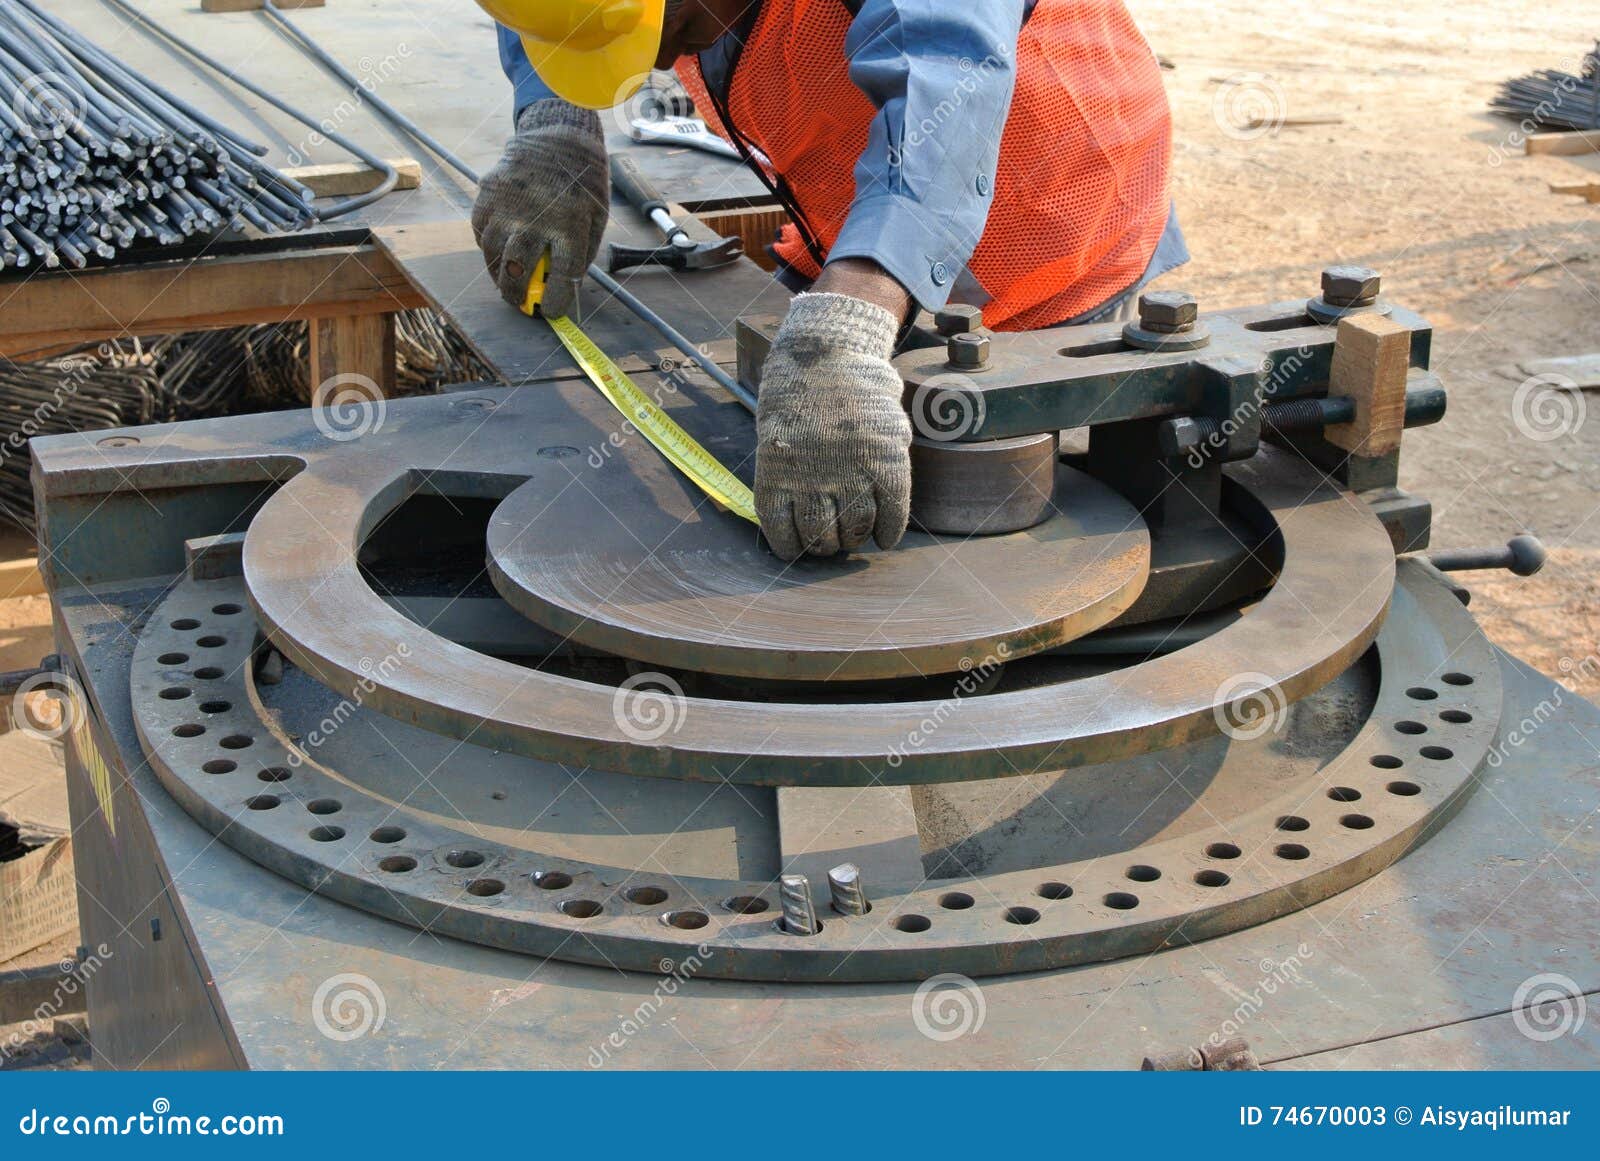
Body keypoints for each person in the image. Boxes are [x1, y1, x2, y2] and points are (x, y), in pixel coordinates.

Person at [473, 0, 1186, 560]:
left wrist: (850, 316)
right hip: (841, 201)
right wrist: (553, 114)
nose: (660, 61)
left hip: (1047, 217)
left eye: (676, 21)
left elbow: (944, 84)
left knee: (1013, 536)